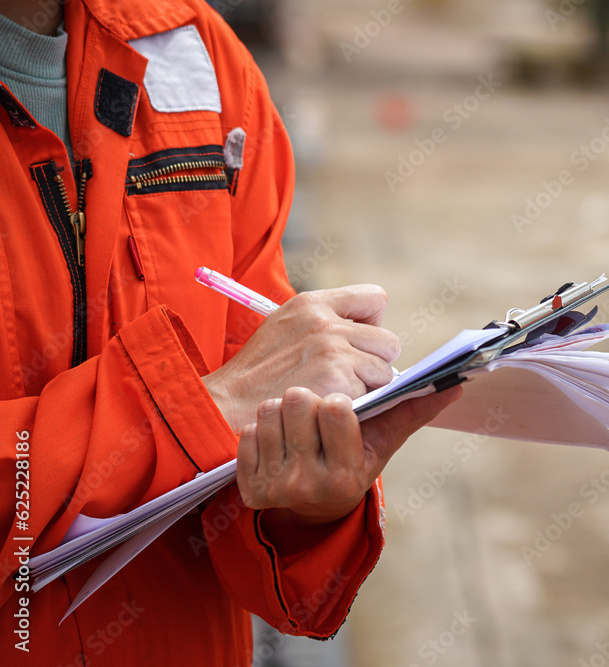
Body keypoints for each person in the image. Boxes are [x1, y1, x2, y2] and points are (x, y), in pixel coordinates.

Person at [0, 0, 461, 664]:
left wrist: (305, 503)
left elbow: (235, 488)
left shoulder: (192, 53)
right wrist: (188, 414)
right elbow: (220, 402)